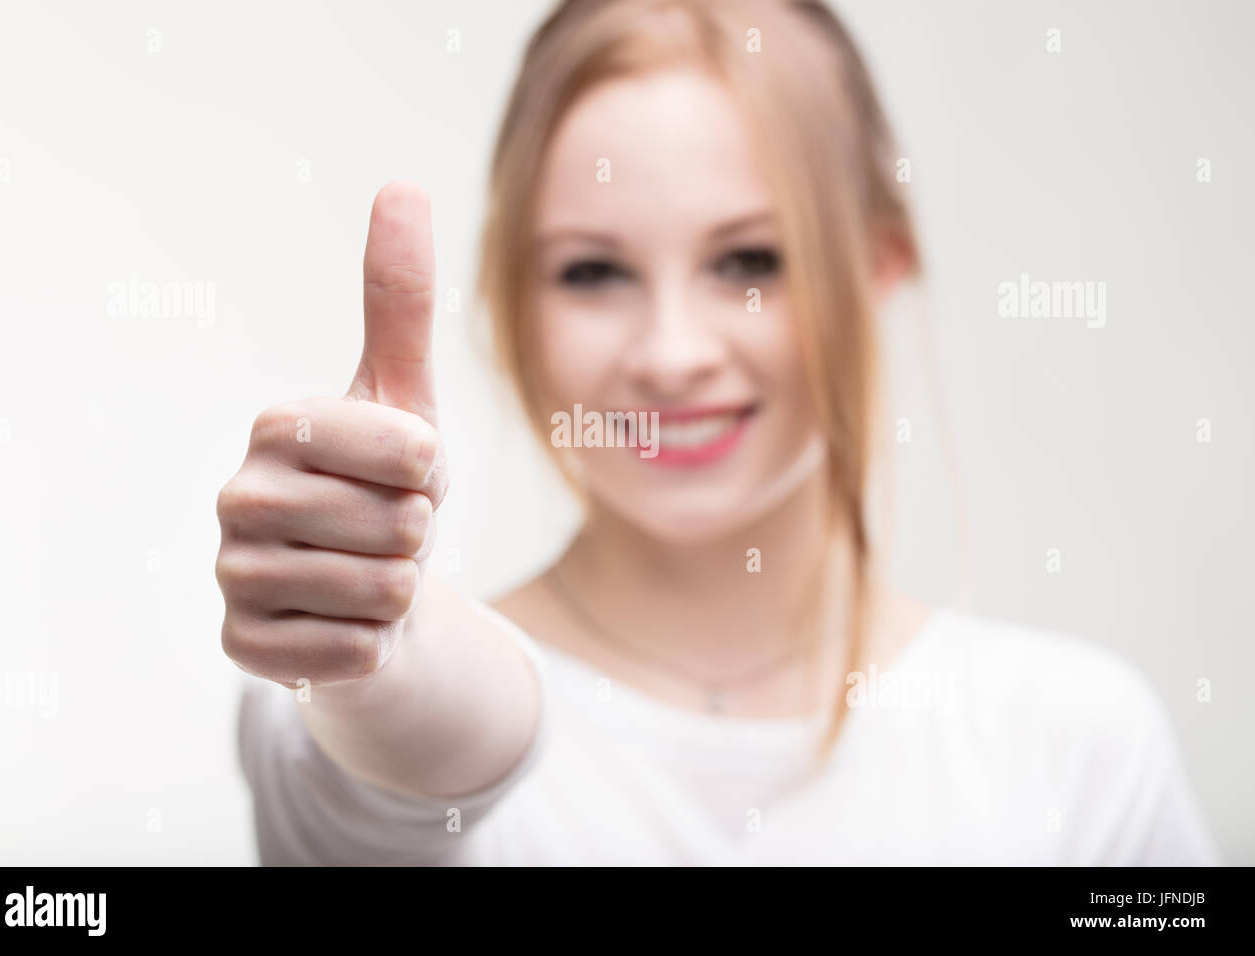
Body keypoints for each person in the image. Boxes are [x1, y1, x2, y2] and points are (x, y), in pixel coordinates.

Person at [215, 0, 1219, 865]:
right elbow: (409, 761)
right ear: (508, 298)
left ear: (878, 265)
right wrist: (383, 642)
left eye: (749, 259)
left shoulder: (1079, 744)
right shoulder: (330, 691)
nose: (671, 352)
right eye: (592, 271)